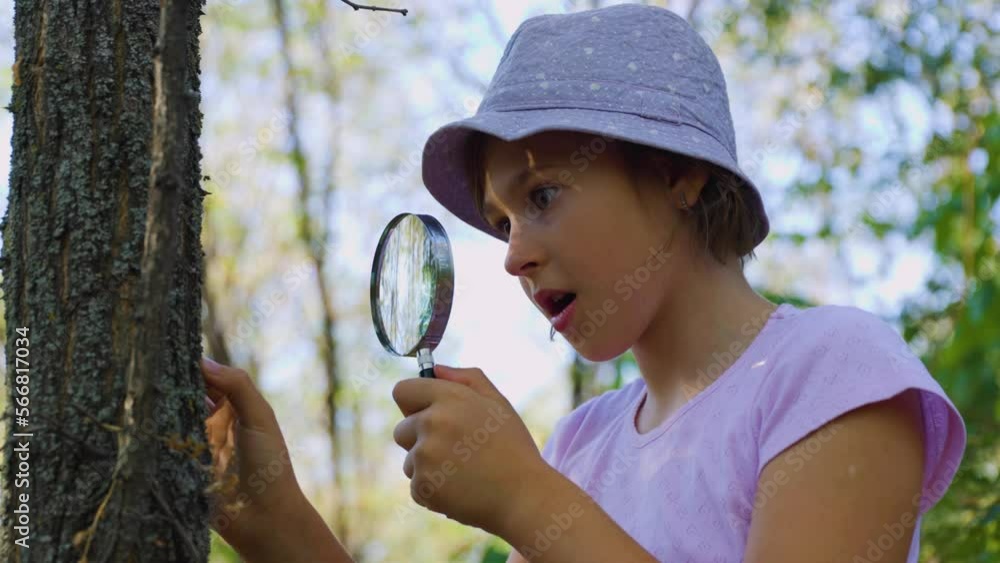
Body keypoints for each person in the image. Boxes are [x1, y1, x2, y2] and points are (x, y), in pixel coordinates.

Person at [201, 4, 967, 562]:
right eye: (502, 221)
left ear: (679, 174)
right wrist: (276, 522)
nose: (512, 255)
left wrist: (526, 497)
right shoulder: (580, 446)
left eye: (542, 196)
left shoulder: (833, 370)